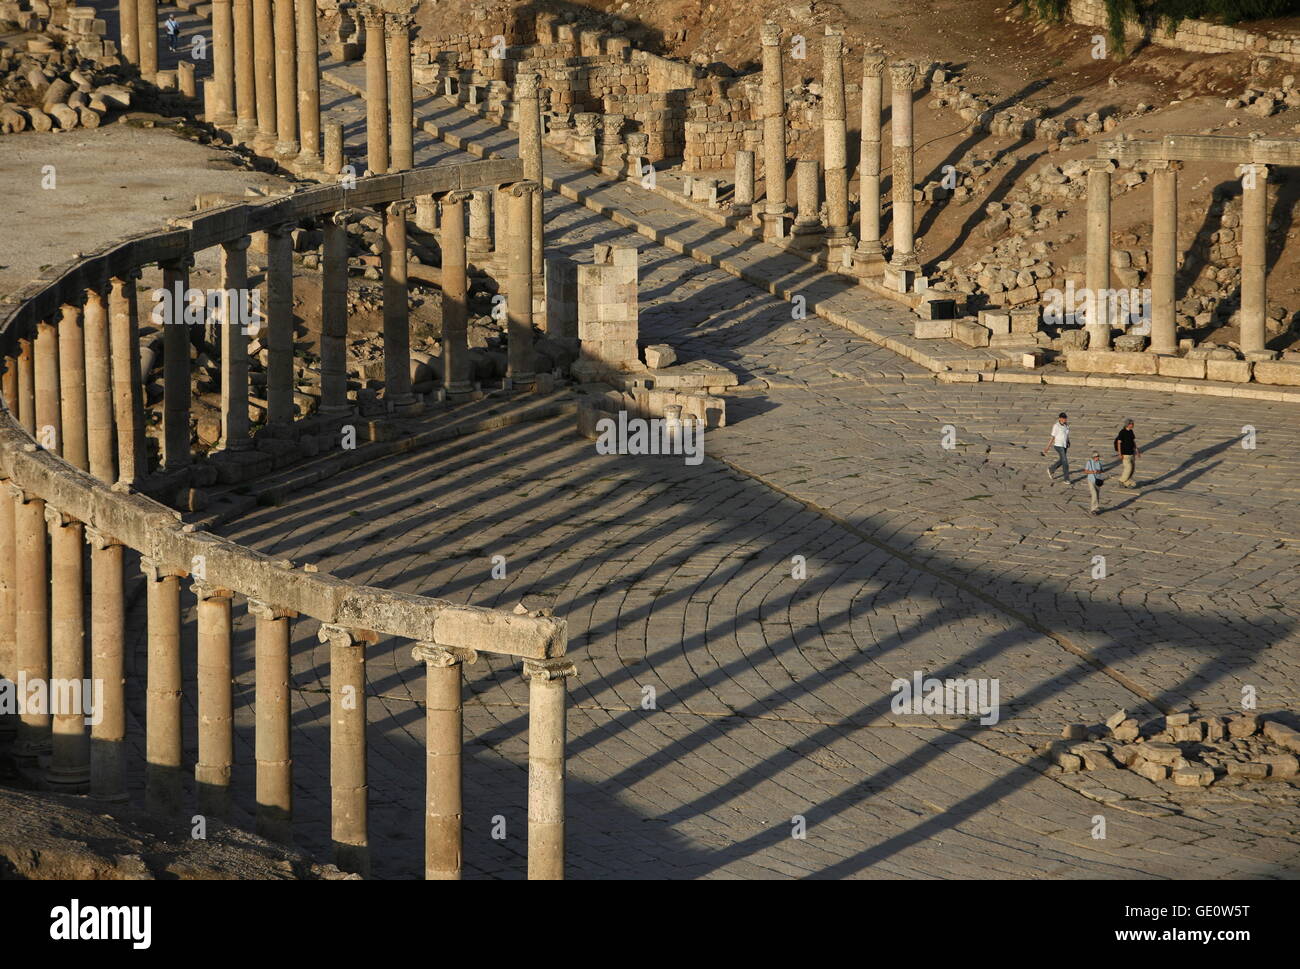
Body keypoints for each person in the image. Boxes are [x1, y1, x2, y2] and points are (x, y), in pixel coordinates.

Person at [1042, 412, 1070, 483]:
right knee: (1065, 462)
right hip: (1058, 445)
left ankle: (1051, 469)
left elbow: (1066, 435)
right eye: (1064, 419)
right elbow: (1052, 437)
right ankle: (1066, 479)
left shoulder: (1066, 426)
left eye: (1065, 419)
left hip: (1064, 445)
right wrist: (1047, 447)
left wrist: (1068, 441)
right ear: (1060, 418)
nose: (1065, 420)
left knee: (1062, 460)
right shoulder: (1056, 426)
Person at [1113, 418, 1141, 488]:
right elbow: (1119, 443)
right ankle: (1121, 480)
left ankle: (1126, 482)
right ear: (1127, 424)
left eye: (1132, 424)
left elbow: (1133, 441)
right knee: (1128, 468)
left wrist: (1137, 450)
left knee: (1132, 469)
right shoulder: (1122, 432)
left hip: (1132, 453)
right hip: (1125, 454)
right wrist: (1120, 453)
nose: (1132, 425)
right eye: (1131, 424)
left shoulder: (1131, 431)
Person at [1084, 450, 1105, 515]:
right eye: (1096, 456)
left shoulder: (1099, 462)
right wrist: (1093, 472)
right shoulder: (1089, 462)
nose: (1097, 457)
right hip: (1091, 480)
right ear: (1093, 457)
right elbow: (1086, 471)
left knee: (1097, 494)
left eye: (1098, 456)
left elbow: (1102, 470)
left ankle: (1096, 508)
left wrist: (1099, 471)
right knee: (1094, 494)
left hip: (1098, 480)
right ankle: (1093, 509)